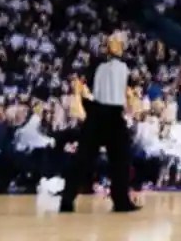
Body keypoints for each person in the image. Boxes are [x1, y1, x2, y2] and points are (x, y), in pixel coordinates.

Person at [60, 33, 141, 213]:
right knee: (119, 161)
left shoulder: (98, 65)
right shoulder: (121, 66)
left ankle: (67, 199)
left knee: (85, 160)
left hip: (97, 113)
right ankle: (120, 201)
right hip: (110, 114)